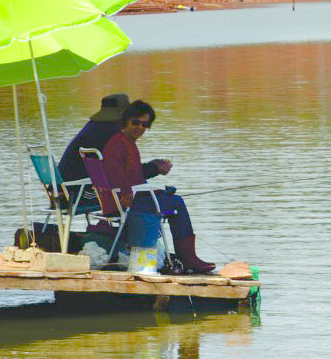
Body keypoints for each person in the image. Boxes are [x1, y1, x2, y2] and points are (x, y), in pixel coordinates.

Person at [98, 100, 215, 274]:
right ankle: (189, 258)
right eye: (135, 122)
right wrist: (126, 192)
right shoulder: (118, 143)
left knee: (170, 196)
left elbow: (133, 175)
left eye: (145, 124)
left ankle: (187, 257)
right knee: (177, 203)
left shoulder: (125, 142)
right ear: (125, 121)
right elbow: (115, 171)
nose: (140, 127)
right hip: (126, 202)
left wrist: (154, 170)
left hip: (127, 199)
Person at [57, 93, 129, 191]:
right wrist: (154, 168)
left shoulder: (93, 126)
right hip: (80, 193)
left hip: (62, 189)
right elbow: (121, 171)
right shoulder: (112, 132)